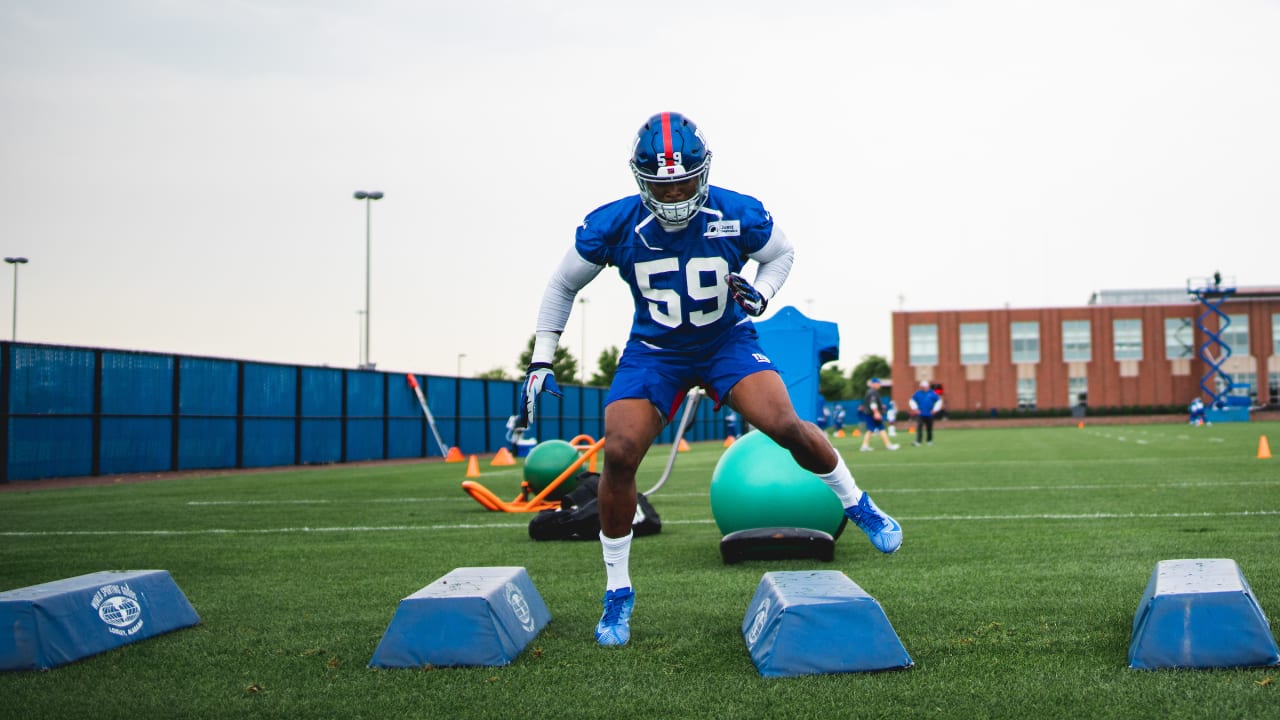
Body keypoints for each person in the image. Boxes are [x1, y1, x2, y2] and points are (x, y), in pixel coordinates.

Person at [514, 112, 901, 648]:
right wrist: (541, 357)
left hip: (727, 342)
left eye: (684, 179)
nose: (674, 193)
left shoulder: (737, 211)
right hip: (655, 351)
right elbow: (561, 285)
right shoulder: (613, 223)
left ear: (704, 171)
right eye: (662, 183)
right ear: (640, 180)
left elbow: (782, 254)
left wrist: (762, 294)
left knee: (785, 424)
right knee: (620, 454)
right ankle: (617, 592)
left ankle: (858, 502)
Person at [859, 377, 900, 452]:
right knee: (877, 429)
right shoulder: (873, 392)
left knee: (875, 429)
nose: (880, 385)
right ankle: (888, 445)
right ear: (874, 384)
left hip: (870, 413)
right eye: (878, 383)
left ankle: (865, 446)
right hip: (872, 414)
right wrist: (876, 413)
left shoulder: (871, 392)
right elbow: (873, 403)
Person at [909, 380, 944, 446]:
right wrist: (915, 409)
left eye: (925, 386)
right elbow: (911, 401)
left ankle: (929, 441)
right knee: (919, 427)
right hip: (920, 414)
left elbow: (939, 401)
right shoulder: (917, 393)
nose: (923, 388)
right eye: (922, 387)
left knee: (929, 428)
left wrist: (935, 409)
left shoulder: (932, 393)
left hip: (929, 414)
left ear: (927, 386)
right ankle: (918, 442)